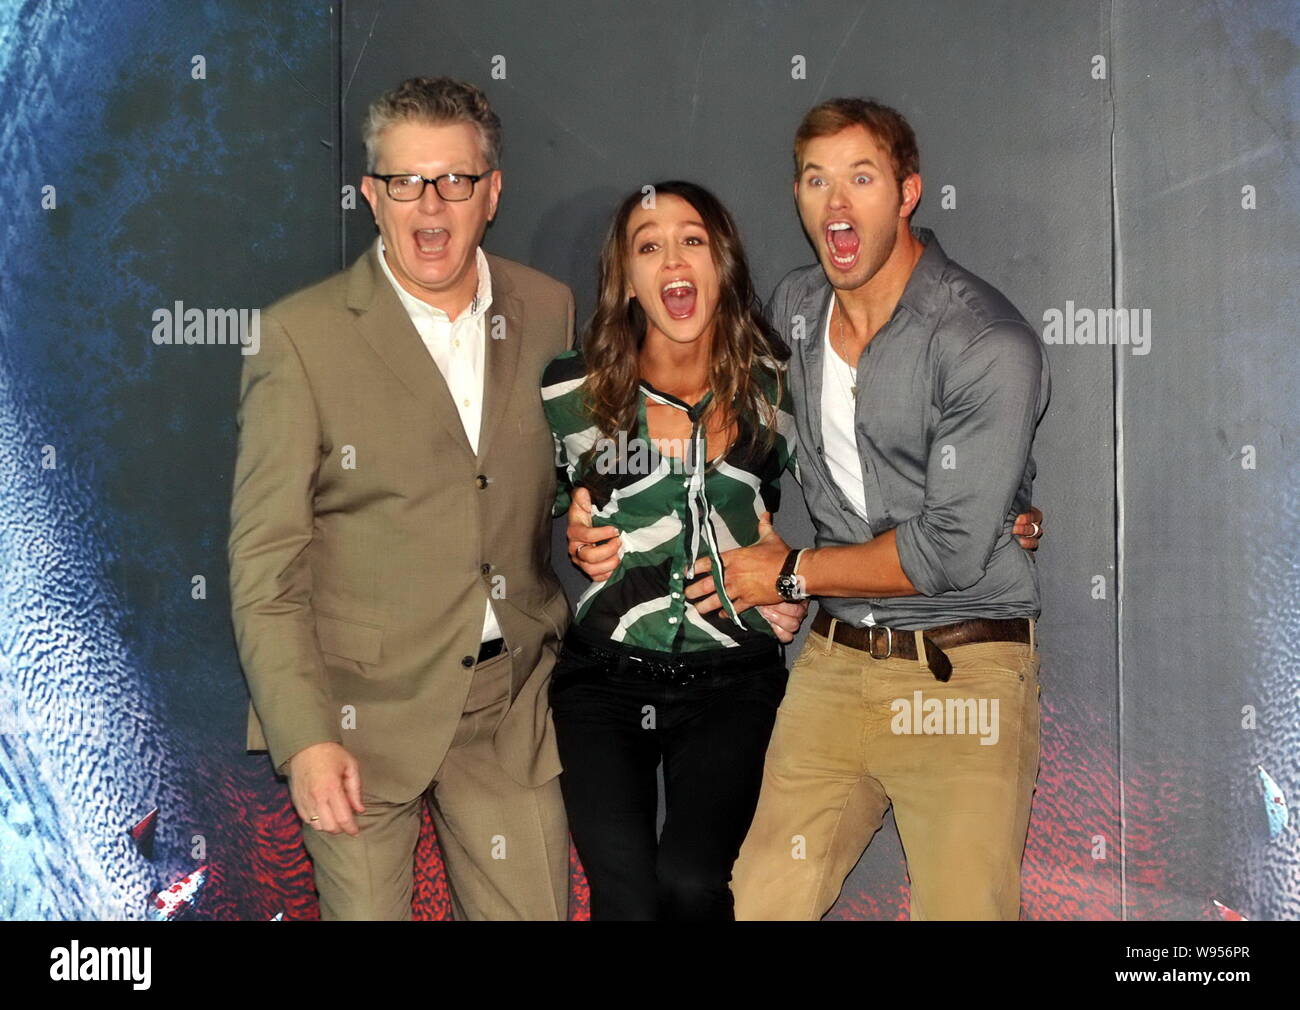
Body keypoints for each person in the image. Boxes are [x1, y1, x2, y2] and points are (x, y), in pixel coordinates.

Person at [567, 98, 1049, 921]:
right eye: (816, 180)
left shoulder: (984, 342)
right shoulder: (790, 313)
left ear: (907, 194)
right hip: (832, 667)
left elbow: (948, 553)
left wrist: (788, 574)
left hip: (961, 668)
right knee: (745, 905)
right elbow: (691, 410)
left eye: (861, 178)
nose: (836, 203)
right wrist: (591, 513)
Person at [228, 76, 573, 920]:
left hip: (507, 707)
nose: (430, 208)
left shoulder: (550, 310)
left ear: (491, 192)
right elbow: (265, 565)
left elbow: (557, 484)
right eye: (404, 182)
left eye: (453, 180)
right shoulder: (298, 338)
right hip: (356, 721)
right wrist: (305, 736)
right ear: (369, 196)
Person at [540, 180, 805, 920]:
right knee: (624, 898)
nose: (672, 260)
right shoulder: (575, 387)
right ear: (626, 277)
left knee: (691, 882)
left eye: (692, 239)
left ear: (720, 261)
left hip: (732, 676)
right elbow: (575, 501)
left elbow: (825, 494)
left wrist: (790, 580)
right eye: (647, 247)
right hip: (605, 676)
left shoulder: (774, 383)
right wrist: (579, 528)